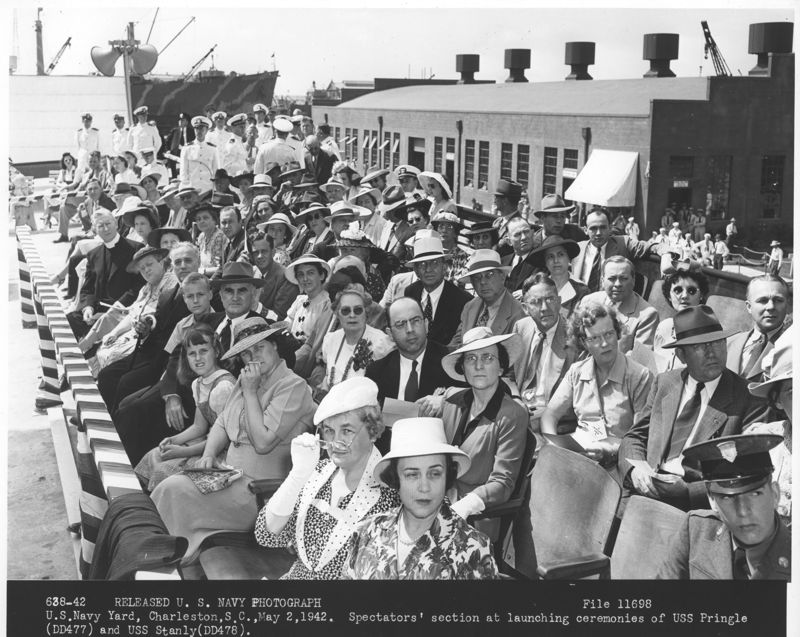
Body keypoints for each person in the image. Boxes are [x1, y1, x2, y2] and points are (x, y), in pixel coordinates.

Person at [152, 317, 315, 563]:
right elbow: (221, 422)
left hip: (263, 493)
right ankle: (163, 557)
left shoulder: (293, 386)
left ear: (275, 346)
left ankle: (162, 560)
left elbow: (263, 443)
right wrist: (208, 454)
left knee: (174, 490)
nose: (253, 357)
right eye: (246, 353)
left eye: (259, 347)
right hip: (229, 477)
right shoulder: (246, 378)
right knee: (170, 482)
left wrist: (250, 392)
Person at [253, 378, 400, 579]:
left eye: (347, 431)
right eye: (329, 431)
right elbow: (267, 535)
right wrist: (298, 475)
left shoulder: (390, 493)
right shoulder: (318, 472)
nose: (335, 442)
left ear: (373, 432)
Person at [618, 306, 751, 511]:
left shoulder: (746, 397)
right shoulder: (665, 383)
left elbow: (743, 470)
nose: (711, 353)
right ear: (681, 355)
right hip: (647, 491)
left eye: (717, 342)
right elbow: (634, 437)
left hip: (697, 506)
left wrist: (688, 492)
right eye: (700, 346)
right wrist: (635, 470)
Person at [343, 416, 498, 580]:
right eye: (412, 475)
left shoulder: (475, 549)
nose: (424, 487)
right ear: (396, 479)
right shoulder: (366, 531)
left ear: (448, 477)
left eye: (435, 474)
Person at [656, 433, 791, 580]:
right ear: (711, 499)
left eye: (755, 494)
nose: (743, 511)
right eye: (727, 497)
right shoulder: (696, 530)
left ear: (775, 494)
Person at [541, 303, 653, 469]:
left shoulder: (639, 377)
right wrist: (553, 443)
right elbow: (549, 415)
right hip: (579, 454)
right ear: (584, 342)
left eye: (609, 334)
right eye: (594, 338)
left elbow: (641, 437)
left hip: (619, 462)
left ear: (618, 333)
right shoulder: (577, 372)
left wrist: (609, 450)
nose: (604, 344)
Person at [440, 327, 528, 537]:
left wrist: (463, 507)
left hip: (475, 520)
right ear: (463, 367)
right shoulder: (452, 400)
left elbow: (502, 483)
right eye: (471, 358)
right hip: (438, 500)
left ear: (500, 367)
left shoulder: (512, 414)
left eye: (488, 357)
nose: (478, 365)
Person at [134, 324, 236, 491]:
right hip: (206, 442)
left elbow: (222, 439)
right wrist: (174, 440)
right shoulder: (199, 383)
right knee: (154, 454)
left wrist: (181, 452)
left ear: (216, 352)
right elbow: (198, 427)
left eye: (203, 351)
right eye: (192, 353)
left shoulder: (223, 387)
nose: (198, 358)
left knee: (163, 470)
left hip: (222, 451)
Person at [66, 210, 143, 339]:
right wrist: (88, 308)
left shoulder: (136, 249)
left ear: (116, 224)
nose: (106, 228)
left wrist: (114, 310)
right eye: (100, 226)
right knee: (68, 321)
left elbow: (139, 285)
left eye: (108, 223)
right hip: (96, 312)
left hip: (123, 311)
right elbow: (88, 288)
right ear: (95, 230)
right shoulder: (93, 254)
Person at [511, 273, 577, 418]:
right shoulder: (521, 328)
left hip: (554, 420)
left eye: (550, 299)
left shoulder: (575, 338)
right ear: (525, 308)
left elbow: (579, 398)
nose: (545, 308)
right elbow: (510, 376)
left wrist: (547, 414)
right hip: (519, 412)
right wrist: (516, 402)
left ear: (559, 301)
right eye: (536, 302)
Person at [319, 285, 394, 394]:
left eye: (358, 310)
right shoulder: (330, 340)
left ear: (366, 312)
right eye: (345, 311)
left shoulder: (381, 342)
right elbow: (328, 375)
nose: (352, 315)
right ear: (337, 314)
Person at [403, 235, 472, 347]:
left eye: (434, 263)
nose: (428, 269)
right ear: (416, 271)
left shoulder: (463, 300)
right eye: (423, 264)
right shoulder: (410, 292)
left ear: (444, 267)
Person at [579, 256, 659, 352]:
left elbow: (639, 360)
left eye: (624, 278)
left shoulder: (648, 315)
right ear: (602, 280)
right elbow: (576, 343)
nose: (617, 284)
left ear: (633, 281)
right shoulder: (588, 301)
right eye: (612, 278)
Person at [450, 249, 525, 349]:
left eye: (489, 275)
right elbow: (455, 345)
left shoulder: (518, 313)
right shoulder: (470, 307)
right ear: (472, 283)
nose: (483, 282)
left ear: (502, 277)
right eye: (477, 277)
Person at [571, 208, 655, 292]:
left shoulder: (623, 243)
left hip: (611, 302)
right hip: (582, 302)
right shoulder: (577, 249)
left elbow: (652, 246)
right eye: (593, 228)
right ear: (586, 230)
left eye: (603, 227)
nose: (598, 233)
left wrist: (666, 254)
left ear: (610, 228)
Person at [652, 264, 709, 372]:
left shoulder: (707, 333)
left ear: (701, 295)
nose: (684, 296)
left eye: (691, 291)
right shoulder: (664, 327)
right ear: (669, 295)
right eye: (678, 290)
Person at [282, 254, 332, 373]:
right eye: (301, 275)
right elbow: (286, 325)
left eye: (310, 273)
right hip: (290, 351)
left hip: (308, 359)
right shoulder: (300, 300)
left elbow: (316, 342)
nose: (305, 279)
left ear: (321, 275)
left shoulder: (327, 305)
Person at [527, 235, 588, 318]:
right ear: (545, 262)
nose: (556, 261)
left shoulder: (582, 291)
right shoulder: (537, 288)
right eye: (550, 257)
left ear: (568, 258)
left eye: (560, 255)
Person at [244, 232, 299, 320]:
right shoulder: (250, 273)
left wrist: (257, 307)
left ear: (273, 252)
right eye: (255, 252)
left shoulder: (286, 277)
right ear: (250, 256)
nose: (260, 256)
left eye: (264, 251)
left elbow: (281, 318)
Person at [180, 116, 218, 192]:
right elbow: (183, 171)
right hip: (192, 188)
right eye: (196, 129)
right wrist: (185, 187)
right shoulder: (187, 148)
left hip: (208, 188)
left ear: (207, 130)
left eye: (202, 129)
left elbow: (215, 170)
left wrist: (215, 188)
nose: (199, 131)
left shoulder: (213, 149)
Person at [430, 211, 470, 283]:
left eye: (449, 227)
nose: (444, 230)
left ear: (455, 233)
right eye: (441, 226)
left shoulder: (463, 257)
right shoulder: (430, 254)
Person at [500, 217, 538, 294]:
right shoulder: (502, 262)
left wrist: (527, 293)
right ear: (509, 241)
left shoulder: (541, 261)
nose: (524, 237)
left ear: (533, 233)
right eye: (517, 234)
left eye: (526, 232)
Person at [191, 204, 226, 277]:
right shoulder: (201, 236)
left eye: (205, 218)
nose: (202, 221)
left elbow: (221, 268)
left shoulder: (220, 236)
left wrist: (201, 271)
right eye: (198, 219)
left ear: (214, 220)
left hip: (217, 278)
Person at [167, 112, 195, 178]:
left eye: (183, 120)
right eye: (179, 120)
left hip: (187, 155)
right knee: (174, 174)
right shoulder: (175, 131)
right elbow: (167, 141)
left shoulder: (192, 131)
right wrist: (168, 150)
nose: (180, 121)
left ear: (187, 122)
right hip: (175, 155)